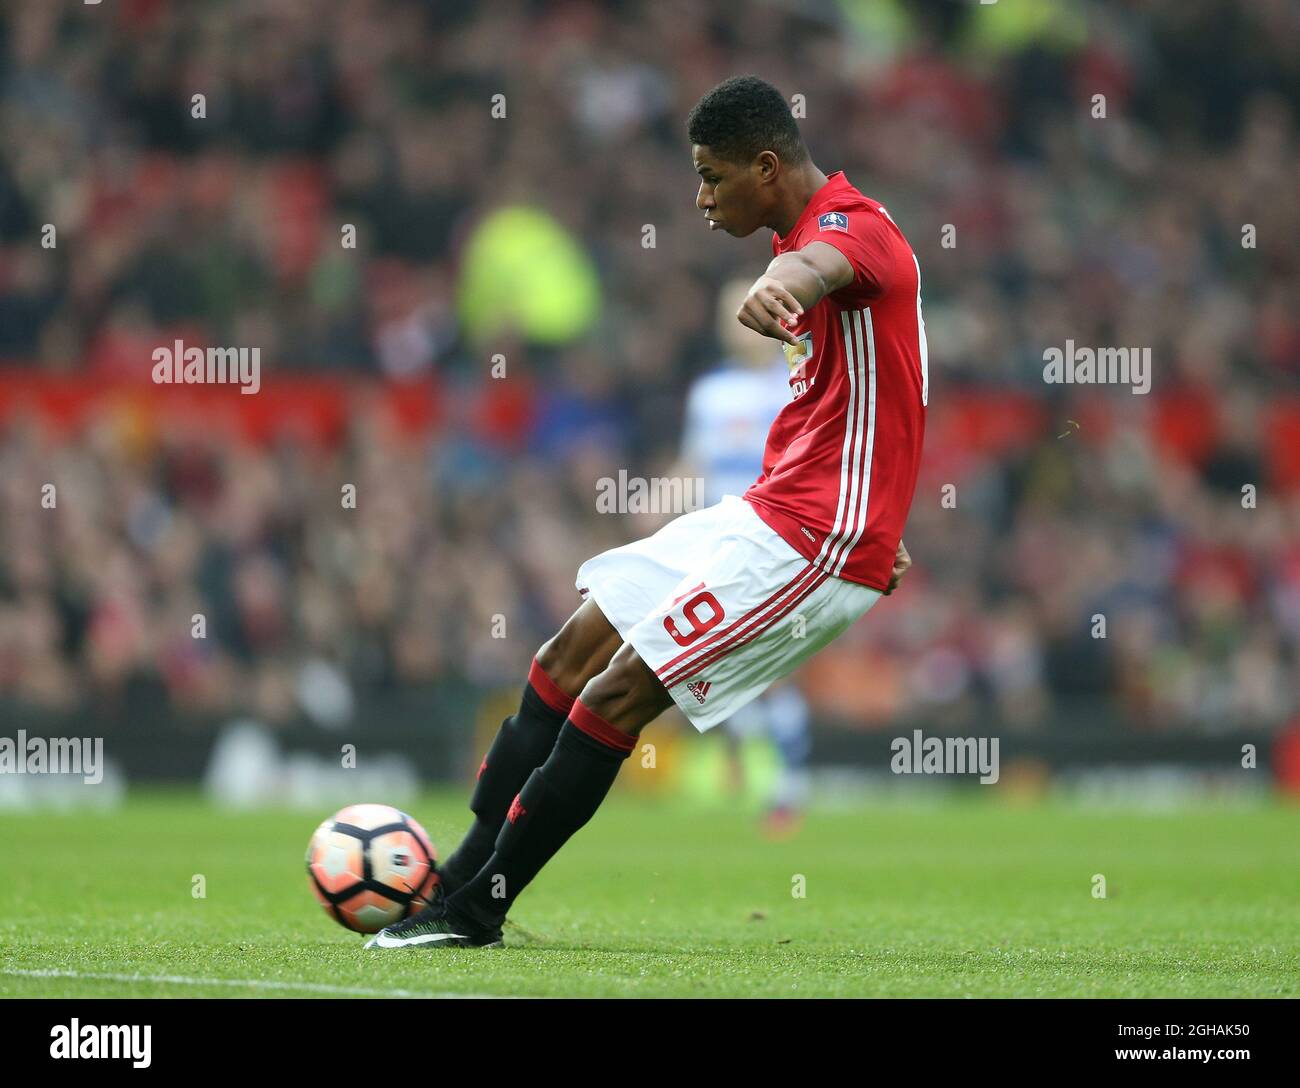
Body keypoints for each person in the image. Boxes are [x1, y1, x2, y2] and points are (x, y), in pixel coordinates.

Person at [367, 74, 928, 949]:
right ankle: (458, 873)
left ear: (767, 166)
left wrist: (780, 286)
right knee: (572, 647)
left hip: (817, 540)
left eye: (711, 176)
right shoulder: (810, 229)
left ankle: (478, 912)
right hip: (767, 510)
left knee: (617, 693)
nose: (701, 197)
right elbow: (879, 394)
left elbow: (815, 268)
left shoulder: (851, 234)